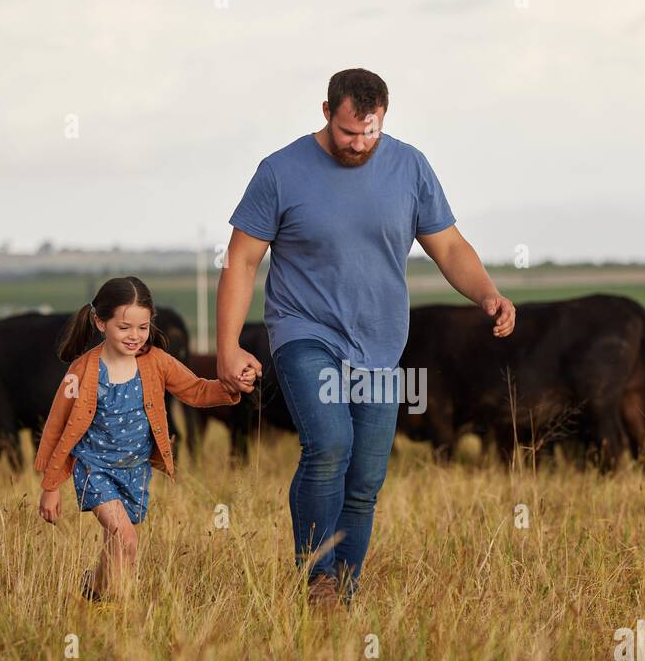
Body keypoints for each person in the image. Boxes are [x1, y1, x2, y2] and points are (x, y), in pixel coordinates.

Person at [216, 68, 516, 608]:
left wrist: (487, 294)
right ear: (326, 112)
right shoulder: (280, 172)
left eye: (369, 132)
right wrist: (228, 344)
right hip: (304, 332)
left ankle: (344, 595)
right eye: (349, 132)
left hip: (380, 345)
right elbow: (241, 259)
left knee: (365, 478)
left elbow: (447, 246)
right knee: (329, 444)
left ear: (384, 118)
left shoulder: (411, 167)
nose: (359, 144)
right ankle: (317, 579)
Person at [35, 276, 245, 600]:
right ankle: (123, 612)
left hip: (135, 471)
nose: (135, 336)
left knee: (113, 542)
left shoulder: (155, 362)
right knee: (126, 539)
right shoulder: (83, 371)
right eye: (124, 328)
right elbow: (56, 426)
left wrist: (230, 387)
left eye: (143, 327)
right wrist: (50, 487)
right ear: (100, 322)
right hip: (95, 469)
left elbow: (196, 389)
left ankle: (95, 592)